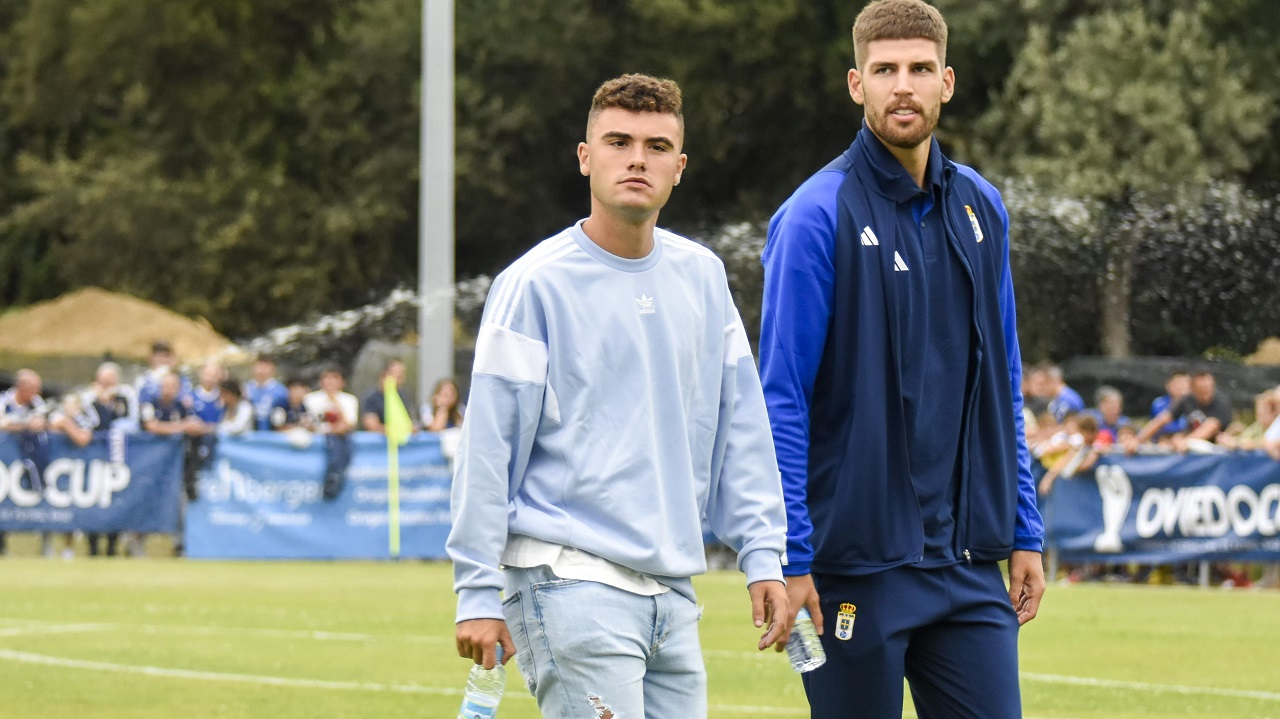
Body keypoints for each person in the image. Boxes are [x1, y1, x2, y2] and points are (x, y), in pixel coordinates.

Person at [447, 73, 790, 719]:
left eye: (657, 146)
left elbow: (740, 427)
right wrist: (477, 593)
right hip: (567, 581)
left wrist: (764, 553)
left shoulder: (704, 275)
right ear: (585, 156)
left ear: (680, 167)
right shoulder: (533, 284)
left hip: (672, 593)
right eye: (618, 141)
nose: (638, 158)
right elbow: (488, 448)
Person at [758, 2, 1045, 715]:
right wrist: (791, 554)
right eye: (885, 70)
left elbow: (1003, 380)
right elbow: (782, 397)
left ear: (947, 81)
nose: (903, 86)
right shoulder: (814, 215)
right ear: (857, 84)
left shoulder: (982, 206)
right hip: (854, 566)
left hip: (969, 566)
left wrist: (1024, 530)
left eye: (919, 69)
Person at [0, 369, 50, 557]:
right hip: (4, 461)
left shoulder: (37, 402)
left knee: (40, 497)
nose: (38, 392)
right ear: (23, 387)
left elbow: (44, 420)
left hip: (29, 458)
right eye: (35, 388)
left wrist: (38, 423)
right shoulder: (4, 401)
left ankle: (46, 544)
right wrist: (24, 425)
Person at [1125, 371, 1233, 454]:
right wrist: (1138, 440)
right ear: (1193, 389)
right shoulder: (1187, 400)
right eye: (1201, 389)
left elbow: (1211, 427)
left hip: (1217, 449)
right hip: (1191, 448)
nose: (1205, 393)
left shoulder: (1221, 401)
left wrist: (1186, 441)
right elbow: (1162, 419)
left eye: (1208, 388)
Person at [303, 367, 358, 500]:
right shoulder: (310, 399)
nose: (330, 382)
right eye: (327, 378)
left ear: (342, 382)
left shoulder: (349, 400)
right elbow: (309, 423)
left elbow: (349, 424)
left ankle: (335, 479)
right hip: (319, 439)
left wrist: (335, 402)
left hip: (340, 438)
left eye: (335, 378)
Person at [360, 359, 415, 433]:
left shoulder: (403, 396)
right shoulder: (371, 398)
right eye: (398, 376)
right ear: (384, 375)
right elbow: (372, 426)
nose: (401, 380)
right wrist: (396, 430)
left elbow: (408, 422)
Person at [245, 355, 290, 431]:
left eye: (265, 367)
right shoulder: (246, 389)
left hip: (272, 435)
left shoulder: (281, 391)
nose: (261, 370)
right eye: (259, 366)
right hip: (251, 436)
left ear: (273, 369)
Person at [1150, 370, 1191, 439]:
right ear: (1168, 385)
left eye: (1184, 384)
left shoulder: (1194, 404)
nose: (1181, 388)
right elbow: (1161, 426)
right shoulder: (1159, 403)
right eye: (1177, 383)